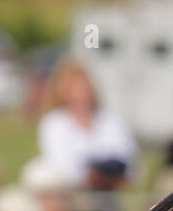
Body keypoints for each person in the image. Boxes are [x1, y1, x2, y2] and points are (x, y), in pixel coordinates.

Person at [37, 59, 138, 187]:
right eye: (74, 88)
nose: (80, 93)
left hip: (112, 192)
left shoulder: (111, 120)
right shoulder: (54, 123)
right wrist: (92, 174)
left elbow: (130, 160)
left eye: (83, 86)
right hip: (72, 195)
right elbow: (61, 166)